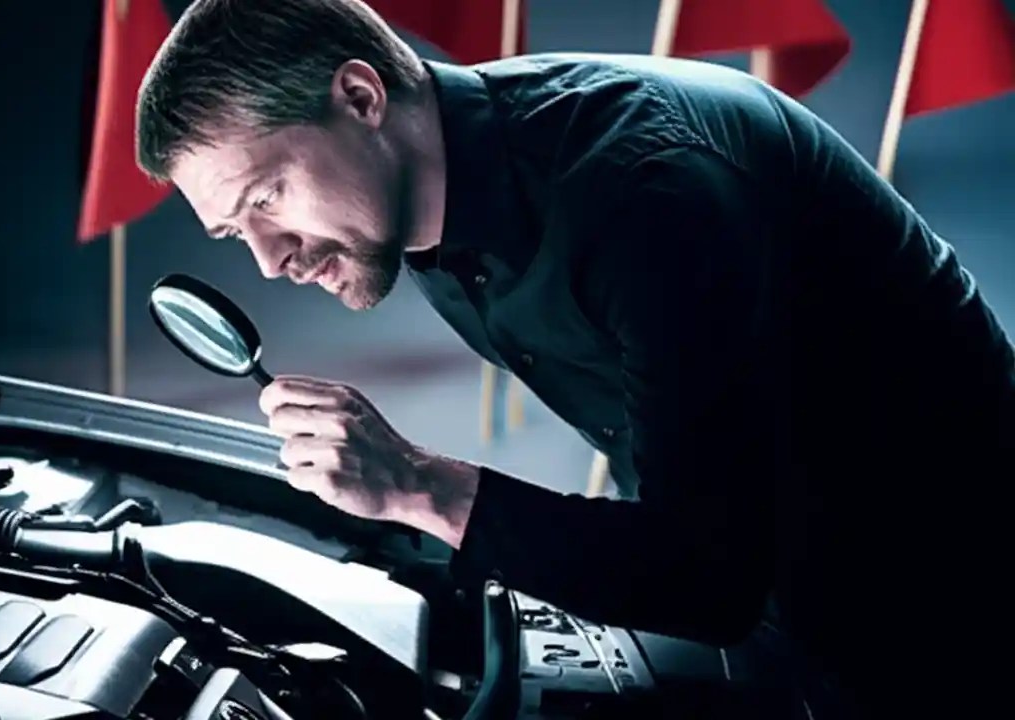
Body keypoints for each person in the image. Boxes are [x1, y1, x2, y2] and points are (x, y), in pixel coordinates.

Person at [134, 0, 1014, 716]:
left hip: (956, 598)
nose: (269, 259)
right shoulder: (428, 202)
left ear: (362, 97)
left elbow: (712, 574)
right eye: (231, 229)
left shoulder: (643, 188)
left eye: (268, 196)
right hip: (792, 581)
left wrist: (416, 483)